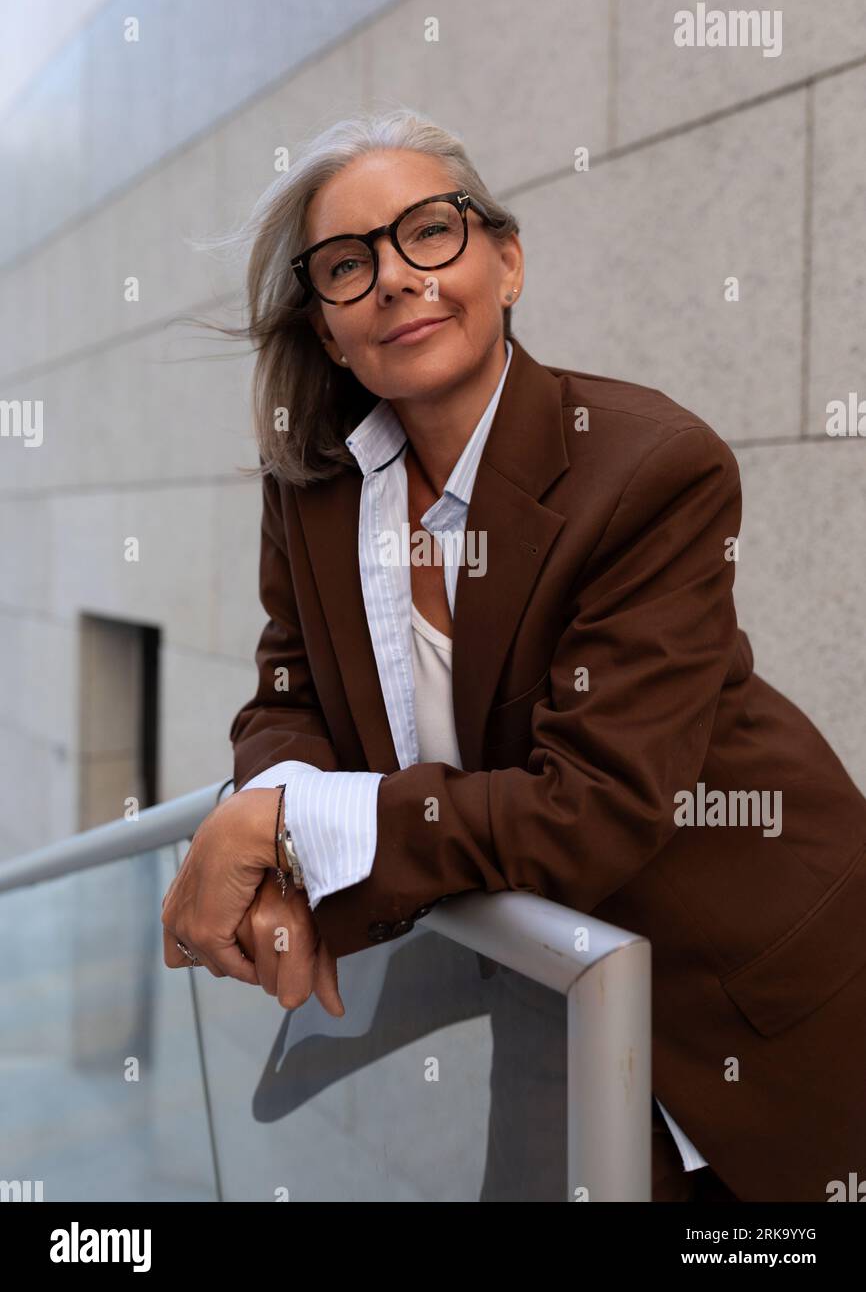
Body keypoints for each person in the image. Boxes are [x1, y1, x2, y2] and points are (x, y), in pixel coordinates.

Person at [162, 107, 866, 1202]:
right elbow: (287, 690)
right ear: (325, 325)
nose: (394, 278)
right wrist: (280, 811)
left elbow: (591, 809)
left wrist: (288, 826)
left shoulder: (648, 468)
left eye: (428, 232)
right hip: (549, 976)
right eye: (347, 264)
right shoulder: (314, 494)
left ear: (506, 262)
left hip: (751, 974)